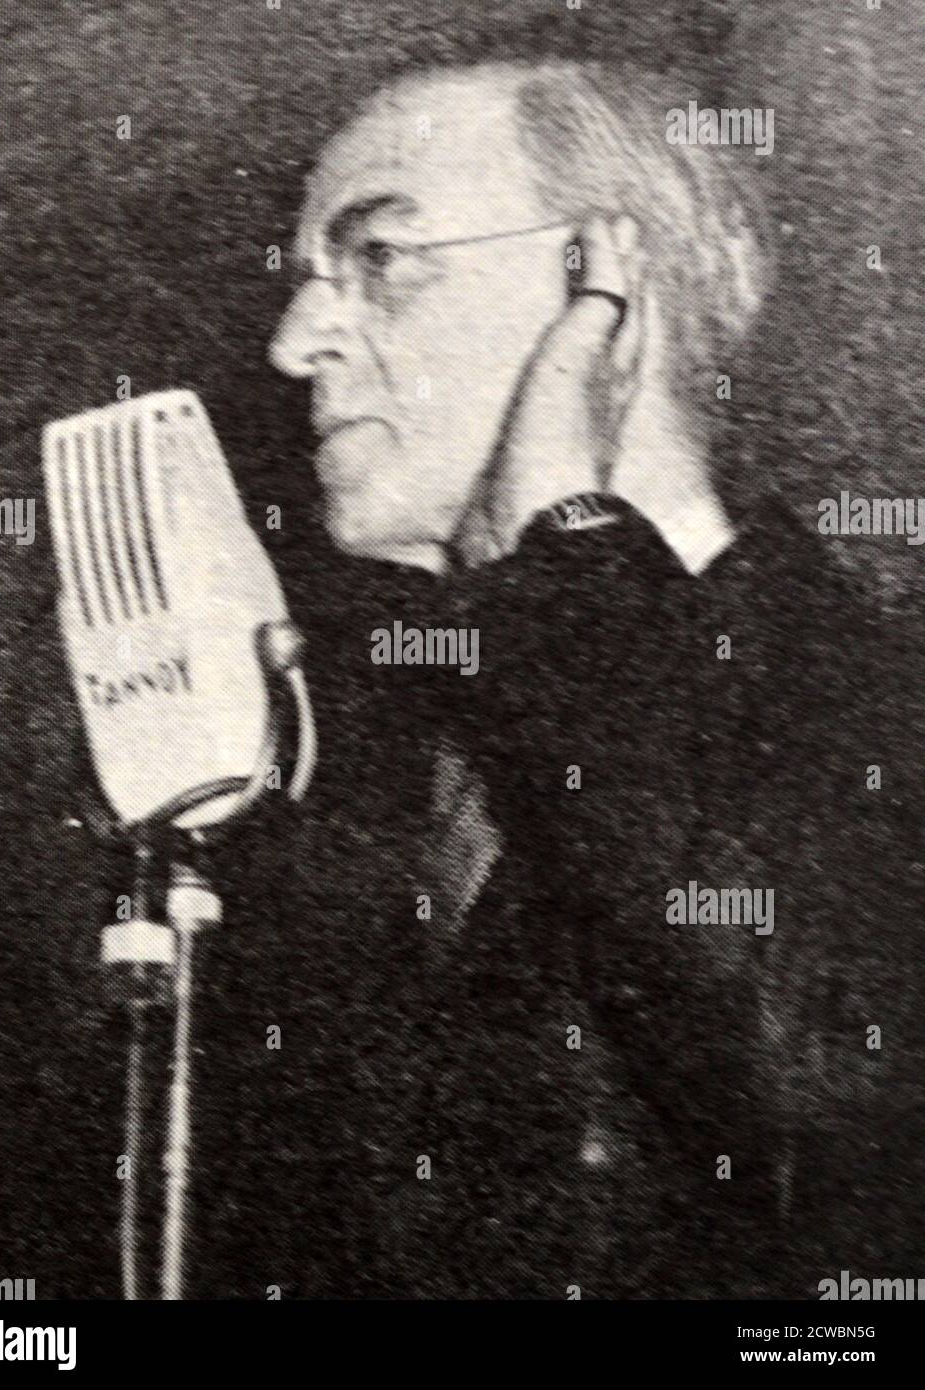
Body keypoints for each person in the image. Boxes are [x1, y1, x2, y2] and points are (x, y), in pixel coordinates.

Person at [188, 58, 925, 1298]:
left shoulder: (877, 698)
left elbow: (825, 1113)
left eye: (380, 259)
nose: (293, 342)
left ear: (606, 284)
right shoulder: (383, 753)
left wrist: (567, 540)